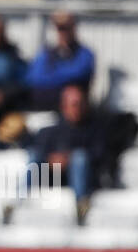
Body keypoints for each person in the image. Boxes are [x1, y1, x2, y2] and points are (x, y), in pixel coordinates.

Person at [26, 84, 106, 219]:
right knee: (33, 156)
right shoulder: (49, 132)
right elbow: (39, 151)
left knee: (80, 158)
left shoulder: (95, 131)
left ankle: (81, 204)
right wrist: (51, 160)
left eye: (81, 103)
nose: (78, 108)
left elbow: (99, 155)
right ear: (63, 106)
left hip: (84, 180)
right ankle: (18, 202)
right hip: (52, 178)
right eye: (74, 104)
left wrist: (68, 159)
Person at [24, 10, 96, 111]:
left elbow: (77, 74)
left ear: (74, 27)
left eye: (66, 28)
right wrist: (58, 77)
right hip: (43, 104)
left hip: (71, 111)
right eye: (60, 28)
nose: (63, 32)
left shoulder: (85, 54)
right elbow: (34, 78)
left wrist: (51, 73)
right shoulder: (46, 53)